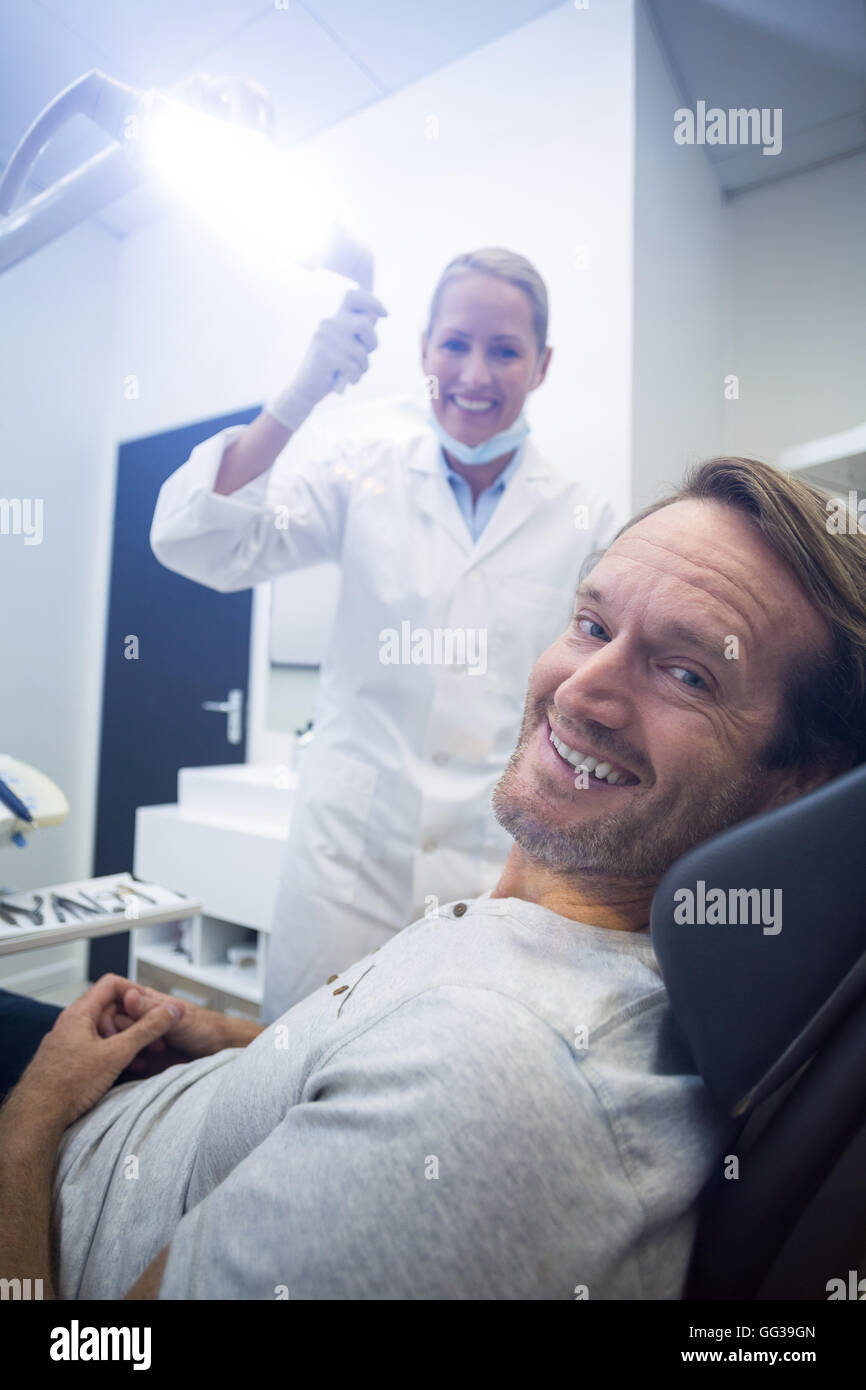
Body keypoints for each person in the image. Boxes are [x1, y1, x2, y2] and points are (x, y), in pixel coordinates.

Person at [4, 454, 864, 1301]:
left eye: (687, 674)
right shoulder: (562, 938)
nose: (580, 693)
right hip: (153, 1100)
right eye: (593, 626)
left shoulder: (494, 1094)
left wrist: (32, 1117)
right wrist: (241, 1042)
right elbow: (390, 1059)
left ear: (803, 782)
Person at [149, 247, 617, 1019]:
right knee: (292, 1067)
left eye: (505, 350)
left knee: (446, 1076)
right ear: (423, 350)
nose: (474, 373)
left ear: (542, 364)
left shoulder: (585, 516)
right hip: (346, 856)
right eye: (455, 344)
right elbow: (199, 540)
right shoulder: (360, 469)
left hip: (489, 858)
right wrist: (300, 396)